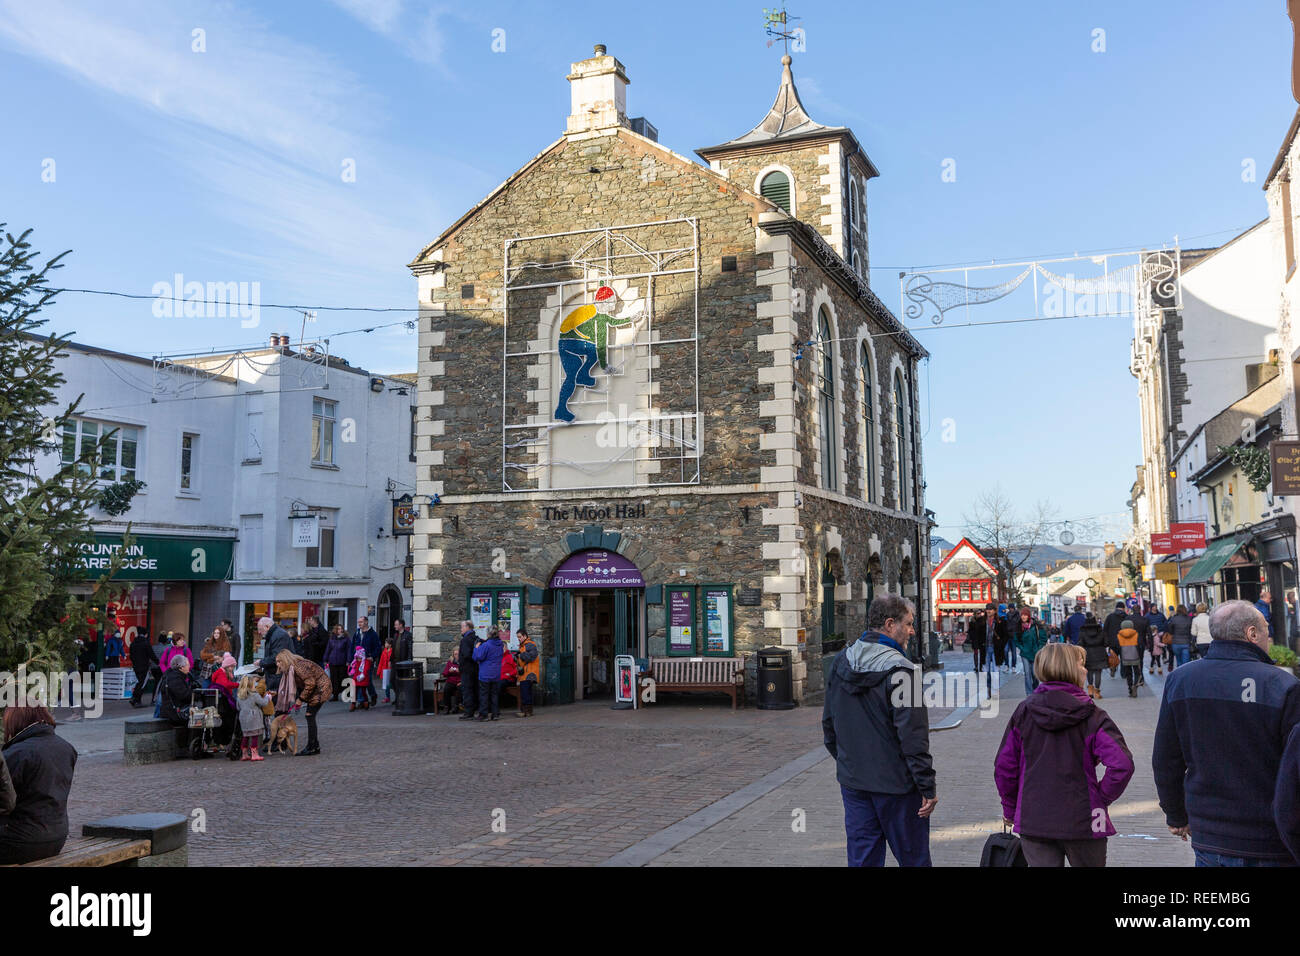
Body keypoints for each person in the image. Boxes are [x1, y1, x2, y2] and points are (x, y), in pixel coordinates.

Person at [1153, 600, 1300, 865]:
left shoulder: (1182, 679)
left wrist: (1175, 814)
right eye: (1266, 630)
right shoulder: (1282, 685)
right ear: (1252, 634)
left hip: (1209, 833)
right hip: (1268, 838)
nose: (1269, 636)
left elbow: (1166, 758)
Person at [993, 644, 1134, 867]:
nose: (1085, 670)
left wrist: (1010, 809)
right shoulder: (1093, 716)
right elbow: (1122, 764)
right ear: (1070, 669)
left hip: (1034, 816)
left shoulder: (1024, 712)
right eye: (1081, 664)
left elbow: (1004, 767)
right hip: (1086, 818)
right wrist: (1100, 798)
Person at [822, 594, 936, 867]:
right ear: (889, 624)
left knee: (863, 860)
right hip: (898, 786)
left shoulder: (841, 662)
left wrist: (851, 763)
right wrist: (927, 786)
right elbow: (913, 739)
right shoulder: (903, 671)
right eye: (908, 624)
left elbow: (829, 726)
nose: (912, 631)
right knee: (914, 859)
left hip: (855, 782)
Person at [0, 705, 78, 865]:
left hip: (19, 842)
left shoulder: (17, 754)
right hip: (57, 838)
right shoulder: (66, 747)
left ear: (15, 721)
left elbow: (5, 801)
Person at [274, 649, 331, 756]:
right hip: (314, 690)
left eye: (279, 661)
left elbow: (310, 683)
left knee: (310, 715)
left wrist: (300, 699)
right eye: (276, 662)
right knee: (310, 716)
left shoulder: (298, 667)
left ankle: (312, 747)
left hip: (321, 689)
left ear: (285, 660)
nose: (278, 664)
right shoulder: (291, 669)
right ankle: (314, 746)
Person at [473, 626, 507, 721]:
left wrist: (476, 648)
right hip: (496, 673)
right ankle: (495, 714)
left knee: (484, 694)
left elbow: (477, 657)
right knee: (494, 694)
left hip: (485, 673)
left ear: (488, 634)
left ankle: (484, 715)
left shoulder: (486, 645)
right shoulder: (500, 644)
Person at [237, 675, 271, 762]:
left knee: (246, 736)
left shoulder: (240, 695)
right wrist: (268, 698)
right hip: (254, 717)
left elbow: (238, 707)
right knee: (254, 736)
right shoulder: (254, 695)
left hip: (243, 718)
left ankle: (244, 754)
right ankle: (254, 754)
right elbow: (263, 703)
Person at [256, 616, 294, 692]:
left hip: (278, 676)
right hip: (275, 675)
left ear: (267, 627)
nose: (259, 632)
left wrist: (261, 662)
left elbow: (276, 658)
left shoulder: (278, 635)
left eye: (260, 629)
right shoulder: (274, 635)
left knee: (276, 700)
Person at [1017, 608, 1049, 695]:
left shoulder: (1036, 626)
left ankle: (1035, 689)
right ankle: (1029, 693)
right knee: (1027, 673)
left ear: (1028, 616)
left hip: (1035, 653)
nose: (1023, 617)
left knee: (1034, 674)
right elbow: (1015, 639)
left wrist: (1039, 648)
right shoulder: (1018, 626)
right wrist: (1022, 648)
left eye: (1025, 615)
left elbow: (1043, 638)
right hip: (1025, 654)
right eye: (1022, 615)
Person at [352, 616, 381, 707]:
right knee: (359, 679)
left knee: (367, 679)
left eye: (361, 622)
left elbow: (378, 647)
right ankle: (362, 700)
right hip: (358, 661)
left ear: (366, 622)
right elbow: (352, 645)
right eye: (358, 622)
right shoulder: (357, 633)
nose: (359, 624)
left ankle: (373, 695)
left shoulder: (372, 634)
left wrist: (372, 656)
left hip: (368, 660)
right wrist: (350, 659)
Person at [1079, 612, 1109, 699]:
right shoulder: (1100, 630)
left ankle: (1090, 691)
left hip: (1088, 653)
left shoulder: (1083, 631)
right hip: (1100, 653)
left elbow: (1080, 643)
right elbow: (1106, 643)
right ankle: (1097, 692)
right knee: (1098, 673)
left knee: (1089, 672)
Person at [128, 629, 160, 708]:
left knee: (140, 682)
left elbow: (131, 655)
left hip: (136, 666)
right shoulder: (146, 643)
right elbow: (151, 655)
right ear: (145, 635)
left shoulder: (133, 643)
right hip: (144, 666)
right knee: (142, 683)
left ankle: (137, 699)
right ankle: (135, 698)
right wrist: (159, 663)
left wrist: (135, 663)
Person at [458, 620, 481, 721]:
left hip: (467, 669)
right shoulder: (476, 638)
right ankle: (475, 709)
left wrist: (462, 661)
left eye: (462, 627)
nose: (461, 629)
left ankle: (468, 712)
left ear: (468, 627)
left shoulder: (465, 640)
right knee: (474, 689)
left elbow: (467, 654)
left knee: (467, 690)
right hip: (475, 668)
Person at [515, 628, 540, 717]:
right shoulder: (523, 645)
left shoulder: (529, 645)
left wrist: (520, 655)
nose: (519, 639)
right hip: (526, 672)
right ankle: (527, 711)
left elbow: (532, 656)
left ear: (525, 636)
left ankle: (526, 711)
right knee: (526, 691)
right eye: (517, 637)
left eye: (520, 637)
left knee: (525, 691)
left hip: (529, 672)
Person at [324, 623, 352, 700]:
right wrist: (325, 659)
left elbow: (349, 650)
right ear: (336, 630)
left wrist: (348, 660)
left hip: (342, 662)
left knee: (343, 678)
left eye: (341, 629)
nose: (341, 630)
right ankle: (335, 695)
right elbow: (328, 649)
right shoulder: (332, 639)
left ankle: (348, 694)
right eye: (339, 629)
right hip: (332, 661)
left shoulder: (346, 639)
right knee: (334, 679)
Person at [1116, 619, 1141, 697]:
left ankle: (1130, 688)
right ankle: (1135, 685)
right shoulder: (1136, 634)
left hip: (1125, 656)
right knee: (1137, 672)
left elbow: (1117, 646)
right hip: (1135, 655)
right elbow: (1140, 645)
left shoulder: (1119, 635)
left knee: (1128, 673)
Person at [1167, 604, 1193, 669]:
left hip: (1176, 643)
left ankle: (1180, 675)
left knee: (1179, 661)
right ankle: (1186, 676)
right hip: (1186, 642)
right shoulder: (1188, 619)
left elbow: (1169, 630)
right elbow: (1191, 630)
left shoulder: (1174, 619)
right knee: (1186, 663)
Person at [347, 647, 372, 712]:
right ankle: (353, 704)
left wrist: (361, 676)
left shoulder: (366, 662)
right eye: (357, 658)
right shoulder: (356, 662)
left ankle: (366, 702)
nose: (358, 659)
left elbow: (365, 671)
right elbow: (354, 670)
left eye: (360, 658)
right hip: (356, 679)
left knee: (363, 692)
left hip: (363, 679)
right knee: (354, 692)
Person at [441, 647, 462, 715]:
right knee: (447, 689)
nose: (457, 656)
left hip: (460, 681)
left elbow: (466, 673)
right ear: (453, 655)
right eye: (455, 654)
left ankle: (456, 706)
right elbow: (444, 674)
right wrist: (449, 671)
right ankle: (447, 707)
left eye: (458, 654)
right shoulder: (450, 662)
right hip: (451, 681)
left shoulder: (463, 662)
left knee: (460, 688)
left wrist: (460, 671)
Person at [378, 638, 394, 705]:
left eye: (386, 643)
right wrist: (378, 671)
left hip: (390, 670)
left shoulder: (392, 651)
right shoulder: (384, 651)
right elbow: (381, 662)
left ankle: (396, 697)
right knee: (386, 685)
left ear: (390, 645)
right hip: (384, 670)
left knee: (392, 684)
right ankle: (387, 697)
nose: (385, 644)